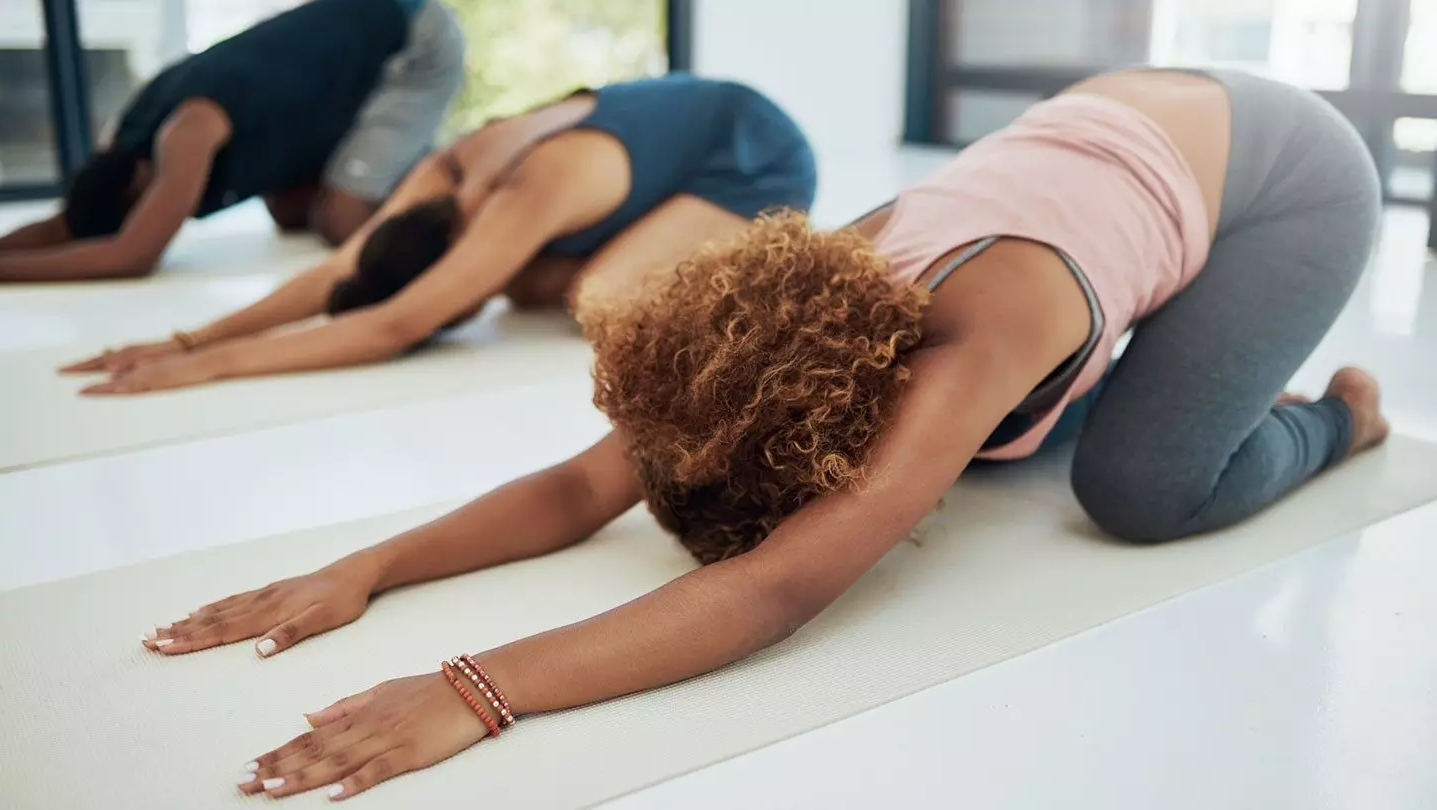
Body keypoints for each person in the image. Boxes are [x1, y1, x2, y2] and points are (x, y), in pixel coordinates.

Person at [141, 69, 1388, 801]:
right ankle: (1167, 363)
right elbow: (585, 488)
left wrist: (480, 688)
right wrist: (364, 568)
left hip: (1287, 181)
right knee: (1037, 430)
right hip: (1122, 135)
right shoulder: (783, 301)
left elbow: (782, 583)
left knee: (1140, 490)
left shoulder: (967, 347)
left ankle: (1334, 417)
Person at [62, 74, 818, 394]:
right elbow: (335, 277)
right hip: (644, 143)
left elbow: (396, 323)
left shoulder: (525, 192)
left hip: (747, 155)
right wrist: (192, 337)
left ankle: (749, 239)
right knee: (529, 292)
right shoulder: (435, 178)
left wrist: (216, 368)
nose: (466, 308)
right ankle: (603, 235)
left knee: (597, 301)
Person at [0, 0, 465, 282]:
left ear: (136, 190)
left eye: (149, 203)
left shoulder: (186, 132)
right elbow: (65, 226)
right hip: (338, 71)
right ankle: (394, 165)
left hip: (413, 37)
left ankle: (457, 186)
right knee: (293, 216)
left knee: (343, 219)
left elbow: (133, 255)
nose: (162, 207)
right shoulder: (122, 137)